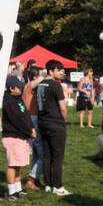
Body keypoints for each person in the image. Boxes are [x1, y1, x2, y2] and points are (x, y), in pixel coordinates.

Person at [36, 61, 69, 195]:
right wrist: (64, 120)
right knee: (57, 156)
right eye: (59, 70)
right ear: (51, 71)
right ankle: (58, 186)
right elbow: (62, 107)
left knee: (47, 155)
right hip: (55, 124)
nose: (62, 72)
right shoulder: (56, 85)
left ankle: (48, 184)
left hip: (43, 123)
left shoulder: (40, 84)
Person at [1, 75, 35, 199]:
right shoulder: (9, 102)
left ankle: (17, 188)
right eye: (18, 87)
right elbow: (17, 120)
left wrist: (31, 127)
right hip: (12, 137)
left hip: (21, 136)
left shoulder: (18, 99)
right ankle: (11, 191)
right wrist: (29, 132)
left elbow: (25, 115)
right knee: (12, 164)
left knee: (18, 164)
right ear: (11, 88)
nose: (21, 88)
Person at [22, 65, 43, 191]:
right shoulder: (29, 86)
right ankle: (31, 179)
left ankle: (35, 179)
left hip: (31, 119)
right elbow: (40, 80)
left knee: (36, 153)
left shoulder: (28, 87)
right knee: (43, 154)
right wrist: (46, 75)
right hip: (33, 119)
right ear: (34, 76)